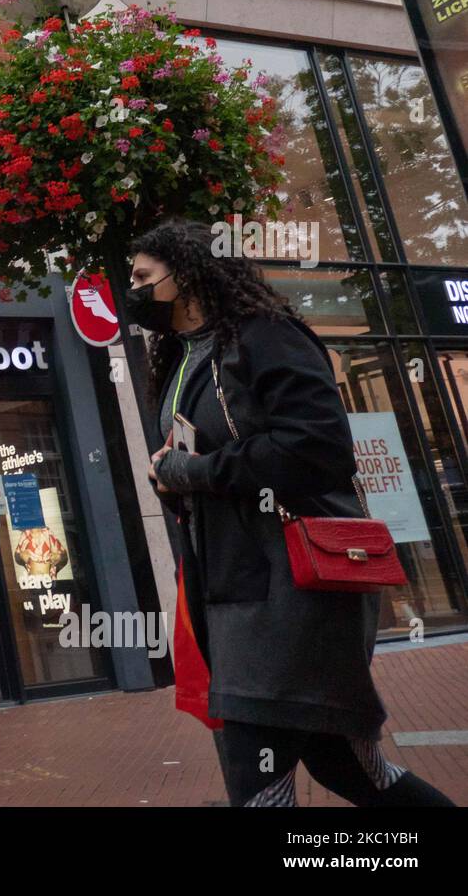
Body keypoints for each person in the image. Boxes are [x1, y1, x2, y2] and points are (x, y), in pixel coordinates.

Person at [128, 217, 453, 807]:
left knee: (255, 775)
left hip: (293, 591)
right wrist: (170, 481)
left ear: (188, 277)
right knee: (348, 767)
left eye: (144, 276)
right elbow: (196, 467)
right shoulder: (180, 361)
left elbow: (319, 446)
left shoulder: (264, 336)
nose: (133, 287)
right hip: (237, 591)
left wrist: (192, 472)